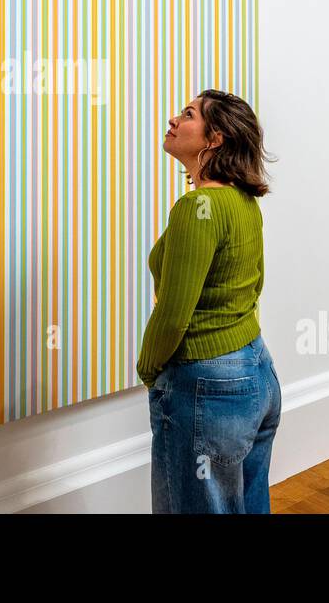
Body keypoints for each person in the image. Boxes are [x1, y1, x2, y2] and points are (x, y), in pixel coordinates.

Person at [138, 88, 279, 513]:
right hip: (257, 373)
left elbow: (173, 315)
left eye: (188, 114)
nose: (174, 120)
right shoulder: (243, 202)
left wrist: (148, 369)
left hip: (209, 386)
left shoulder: (197, 207)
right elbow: (254, 287)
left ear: (214, 139)